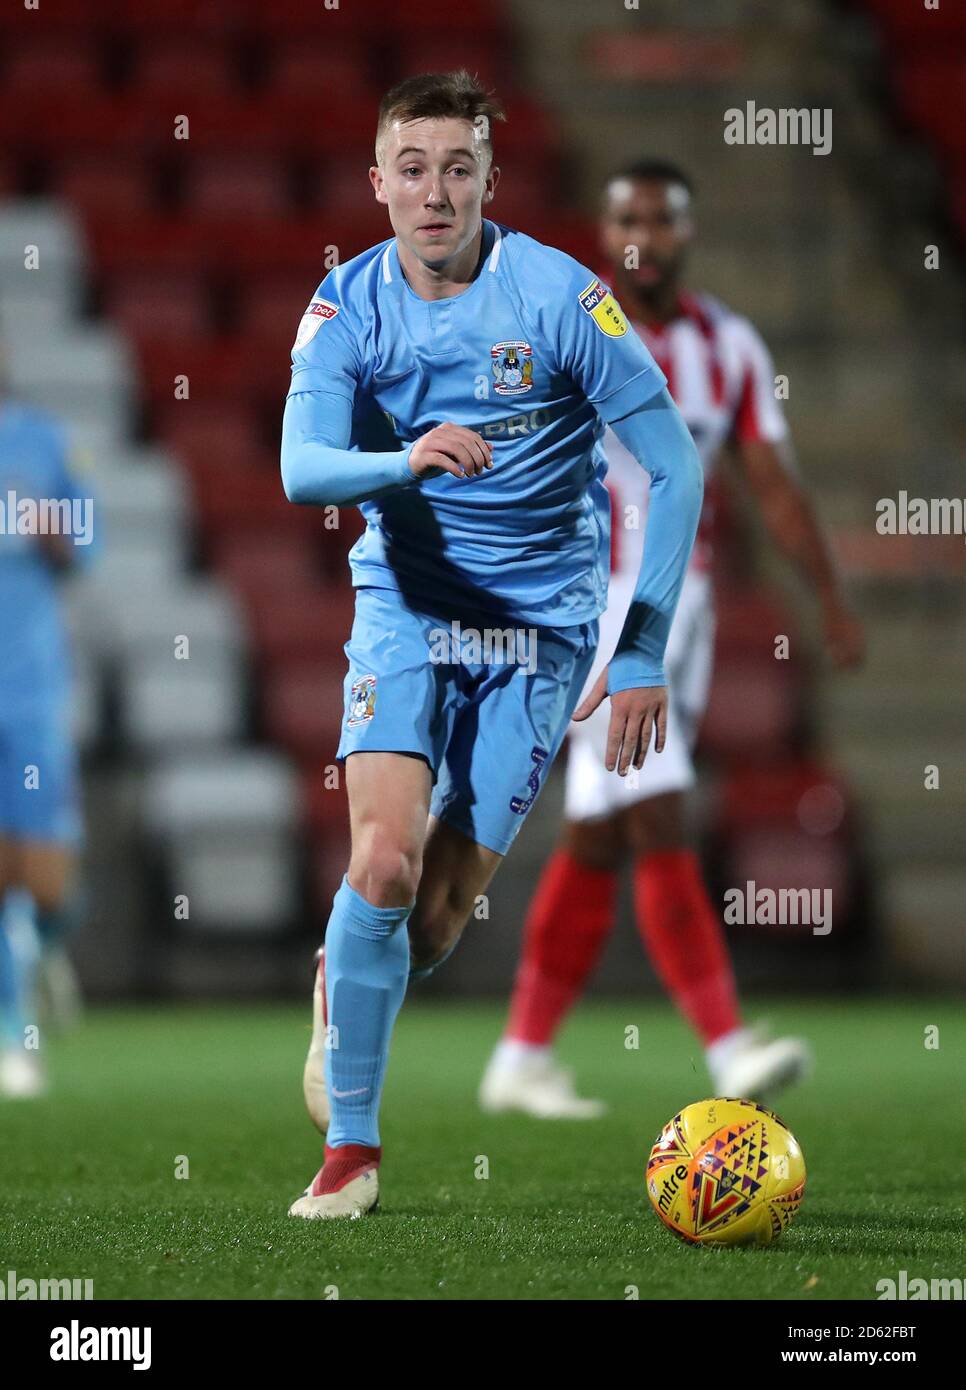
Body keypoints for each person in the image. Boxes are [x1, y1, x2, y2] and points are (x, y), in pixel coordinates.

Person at [280, 77, 703, 1219]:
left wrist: (643, 648)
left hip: (540, 633)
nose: (434, 190)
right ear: (377, 184)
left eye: (456, 166)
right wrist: (403, 462)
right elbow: (301, 467)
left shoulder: (564, 299)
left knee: (439, 915)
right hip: (408, 608)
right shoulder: (344, 308)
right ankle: (353, 1153)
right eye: (410, 167)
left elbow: (678, 466)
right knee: (382, 863)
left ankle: (344, 976)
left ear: (488, 181)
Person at [478, 159, 865, 1119]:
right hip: (586, 607)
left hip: (677, 608)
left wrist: (828, 595)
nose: (646, 234)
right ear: (605, 235)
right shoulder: (563, 327)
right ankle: (728, 1046)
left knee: (603, 832)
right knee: (654, 810)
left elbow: (770, 478)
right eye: (628, 218)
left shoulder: (727, 345)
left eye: (664, 216)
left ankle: (522, 1054)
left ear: (688, 233)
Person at [0, 383, 94, 1099]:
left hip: (32, 686)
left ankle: (46, 940)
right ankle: (15, 1036)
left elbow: (85, 547)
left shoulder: (42, 440)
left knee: (49, 878)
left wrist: (53, 532)